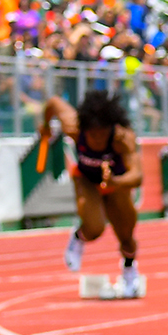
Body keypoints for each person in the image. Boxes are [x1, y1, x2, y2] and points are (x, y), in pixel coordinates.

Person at [40, 90, 146, 299]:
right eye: (92, 134)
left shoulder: (123, 138)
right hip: (86, 179)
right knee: (94, 228)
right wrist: (45, 127)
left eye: (102, 133)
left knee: (127, 237)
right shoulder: (73, 126)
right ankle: (79, 237)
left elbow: (137, 176)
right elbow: (52, 101)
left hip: (116, 182)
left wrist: (116, 181)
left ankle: (129, 271)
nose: (97, 139)